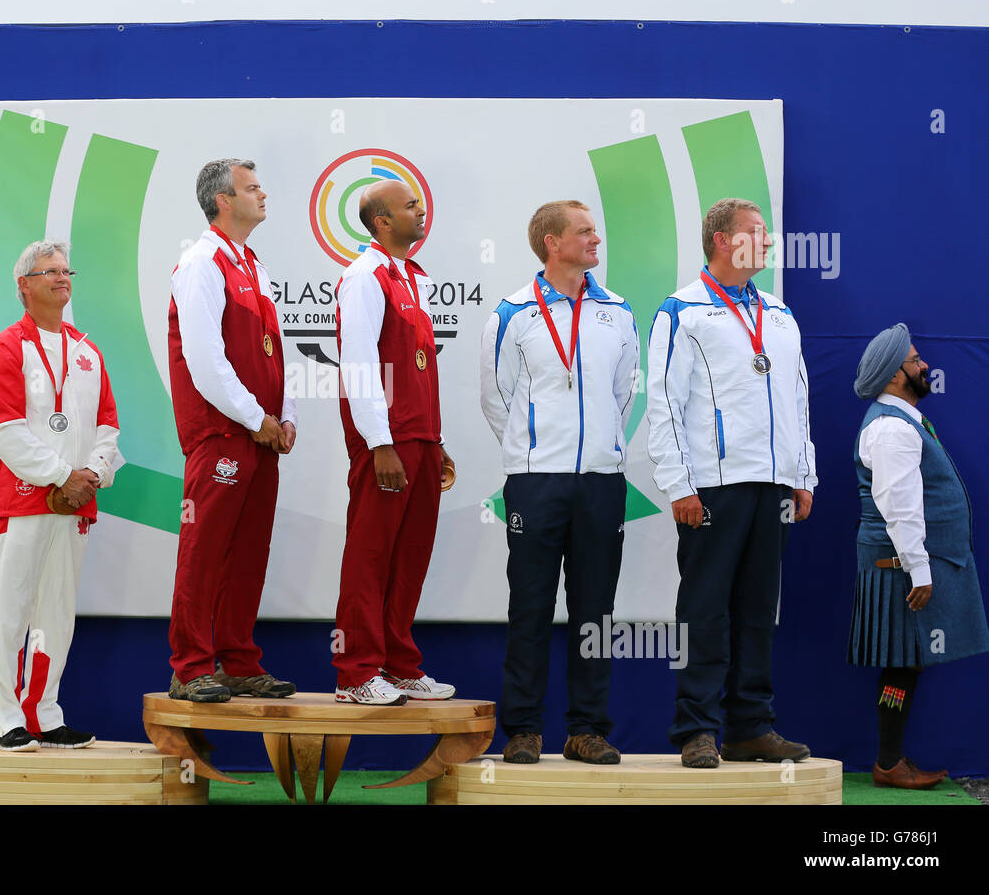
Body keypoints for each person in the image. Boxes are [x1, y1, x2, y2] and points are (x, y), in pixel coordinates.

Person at [646, 198, 815, 767]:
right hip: (712, 485)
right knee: (705, 610)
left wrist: (802, 472)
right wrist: (678, 485)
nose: (768, 243)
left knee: (759, 608)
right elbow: (663, 404)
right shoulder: (682, 311)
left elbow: (798, 397)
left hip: (774, 485)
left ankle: (750, 727)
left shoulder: (781, 313)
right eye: (756, 233)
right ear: (722, 240)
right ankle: (696, 728)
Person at [480, 201, 638, 764]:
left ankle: (587, 729)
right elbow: (495, 397)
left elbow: (623, 394)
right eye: (584, 231)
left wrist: (598, 447)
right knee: (530, 607)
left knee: (595, 611)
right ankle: (523, 729)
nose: (596, 237)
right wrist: (531, 449)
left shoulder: (617, 312)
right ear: (552, 242)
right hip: (534, 483)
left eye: (595, 228)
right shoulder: (512, 313)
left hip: (600, 482)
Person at [0, 240, 120, 751]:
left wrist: (92, 475)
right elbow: (5, 430)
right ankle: (3, 718)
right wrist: (63, 475)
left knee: (57, 614)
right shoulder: (4, 348)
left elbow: (108, 426)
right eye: (50, 271)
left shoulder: (87, 351)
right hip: (21, 504)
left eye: (66, 270)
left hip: (75, 503)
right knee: (9, 611)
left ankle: (43, 712)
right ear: (24, 285)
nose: (63, 277)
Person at [166, 158, 297, 702]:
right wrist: (257, 418)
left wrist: (286, 415)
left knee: (247, 554)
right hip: (222, 434)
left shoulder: (253, 266)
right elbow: (204, 360)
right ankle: (191, 667)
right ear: (223, 200)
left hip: (259, 434)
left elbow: (273, 351)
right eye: (252, 188)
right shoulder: (201, 263)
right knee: (205, 551)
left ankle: (239, 661)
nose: (263, 195)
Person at [849, 324, 989, 788]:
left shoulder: (900, 420)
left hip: (902, 564)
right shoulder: (891, 428)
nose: (924, 364)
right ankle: (889, 762)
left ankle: (891, 759)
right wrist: (920, 571)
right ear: (894, 376)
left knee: (905, 663)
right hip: (901, 566)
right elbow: (899, 506)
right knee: (902, 664)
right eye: (914, 360)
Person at [332, 179, 455, 704]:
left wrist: (434, 438)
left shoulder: (412, 279)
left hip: (420, 437)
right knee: (371, 555)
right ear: (382, 221)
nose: (421, 211)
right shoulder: (364, 277)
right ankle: (356, 674)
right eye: (410, 206)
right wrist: (380, 442)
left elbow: (415, 368)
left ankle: (399, 663)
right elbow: (358, 364)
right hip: (387, 441)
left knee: (410, 555)